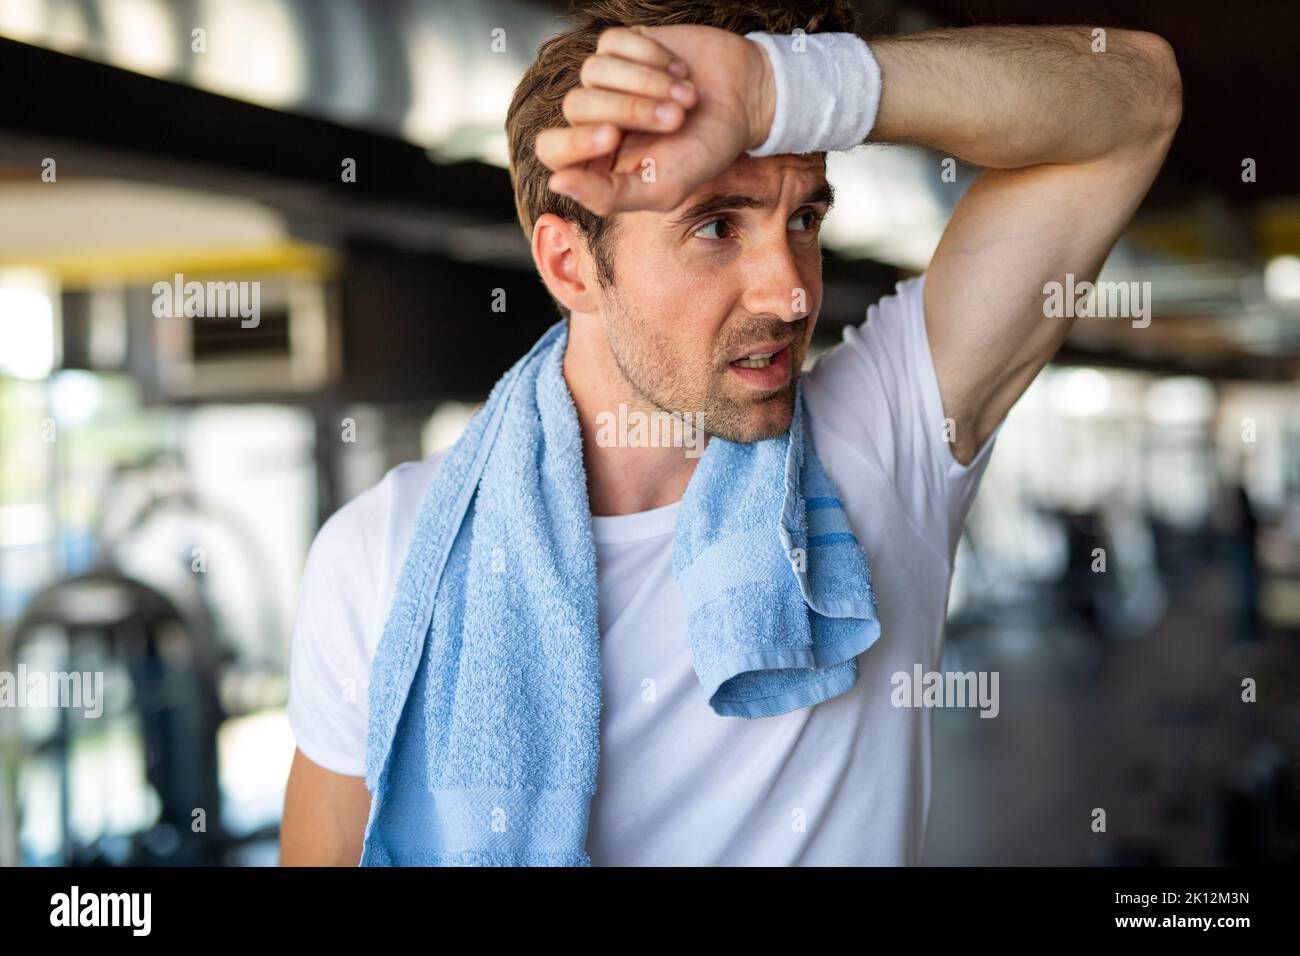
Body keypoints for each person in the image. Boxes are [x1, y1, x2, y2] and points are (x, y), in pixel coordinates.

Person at [280, 0, 1180, 865]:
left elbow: (1135, 98)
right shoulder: (384, 555)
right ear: (569, 264)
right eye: (717, 225)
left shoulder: (882, 449)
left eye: (804, 219)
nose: (790, 293)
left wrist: (777, 88)